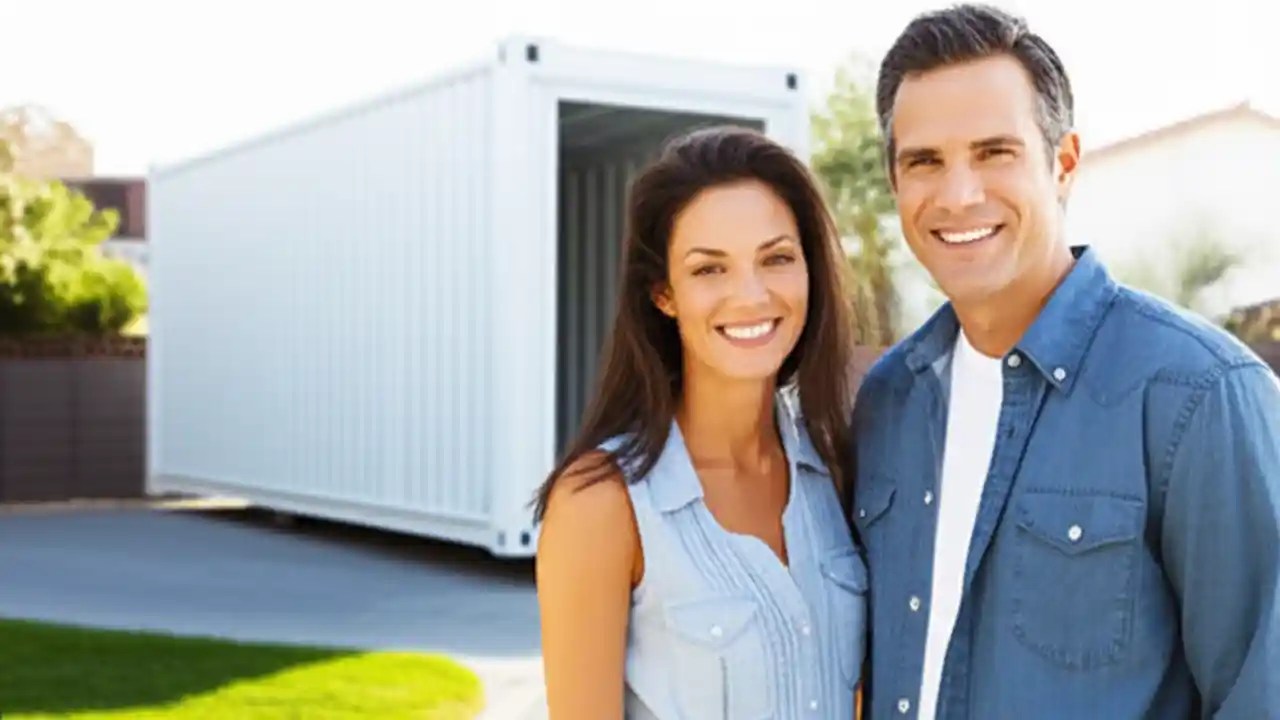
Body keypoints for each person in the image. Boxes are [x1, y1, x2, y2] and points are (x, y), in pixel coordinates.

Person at [850, 4, 1280, 719]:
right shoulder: (888, 402)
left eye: (995, 152)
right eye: (925, 161)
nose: (958, 195)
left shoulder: (1199, 396)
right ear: (897, 183)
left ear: (1063, 163)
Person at [533, 126, 868, 719]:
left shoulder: (837, 469)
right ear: (664, 293)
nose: (751, 294)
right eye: (710, 270)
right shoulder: (601, 504)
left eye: (777, 259)